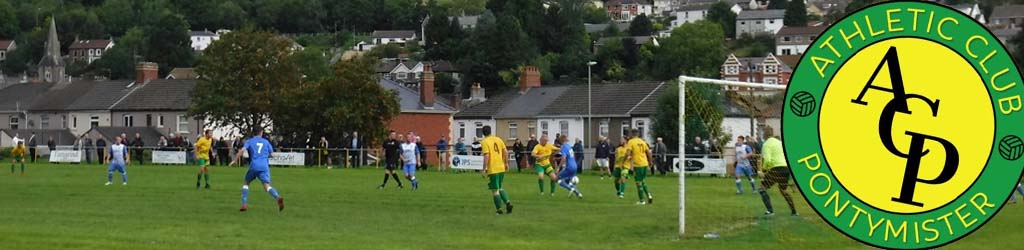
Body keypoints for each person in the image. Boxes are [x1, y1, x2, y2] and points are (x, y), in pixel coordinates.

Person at [230, 129, 285, 212]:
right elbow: (272, 155)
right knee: (267, 185)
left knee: (246, 183)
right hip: (264, 166)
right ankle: (277, 197)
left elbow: (242, 150)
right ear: (261, 133)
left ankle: (244, 204)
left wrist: (235, 160)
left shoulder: (250, 141)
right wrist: (265, 156)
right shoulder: (266, 142)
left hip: (254, 165)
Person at [758, 131, 797, 216]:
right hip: (786, 168)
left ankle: (770, 211)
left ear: (764, 135)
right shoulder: (780, 143)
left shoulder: (766, 144)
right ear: (772, 134)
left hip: (777, 168)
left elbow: (767, 160)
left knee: (762, 188)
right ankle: (794, 211)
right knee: (783, 190)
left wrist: (764, 170)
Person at [480, 126, 513, 215]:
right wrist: (506, 163)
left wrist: (484, 168)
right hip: (501, 167)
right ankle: (508, 203)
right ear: (491, 131)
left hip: (493, 168)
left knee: (495, 190)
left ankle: (499, 210)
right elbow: (505, 151)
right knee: (500, 187)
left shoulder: (484, 142)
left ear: (483, 133)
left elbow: (486, 155)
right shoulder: (498, 139)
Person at [626, 129, 654, 205]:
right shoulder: (642, 141)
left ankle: (642, 201)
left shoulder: (631, 142)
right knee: (643, 181)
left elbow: (628, 153)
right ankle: (649, 195)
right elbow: (649, 152)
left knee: (638, 182)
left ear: (632, 134)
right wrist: (650, 162)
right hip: (644, 163)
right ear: (638, 134)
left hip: (637, 164)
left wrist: (627, 157)